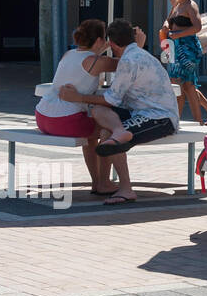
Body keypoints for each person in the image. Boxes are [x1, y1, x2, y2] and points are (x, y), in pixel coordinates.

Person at [56, 19, 179, 205]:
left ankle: (126, 189)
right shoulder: (134, 54)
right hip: (140, 112)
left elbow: (110, 99)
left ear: (111, 44)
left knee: (112, 136)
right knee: (101, 117)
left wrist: (78, 97)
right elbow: (110, 101)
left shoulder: (129, 61)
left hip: (159, 117)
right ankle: (104, 183)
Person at [36, 19, 119, 194]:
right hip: (65, 121)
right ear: (98, 41)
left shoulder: (69, 54)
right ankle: (103, 182)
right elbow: (127, 63)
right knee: (111, 130)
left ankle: (97, 182)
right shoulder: (98, 62)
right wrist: (138, 45)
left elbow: (87, 58)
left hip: (43, 116)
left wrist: (102, 48)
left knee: (90, 135)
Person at [160, 0, 207, 125]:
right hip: (176, 48)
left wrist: (178, 34)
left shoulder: (190, 5)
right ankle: (201, 117)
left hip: (187, 49)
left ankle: (176, 121)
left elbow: (197, 26)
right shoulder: (177, 4)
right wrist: (166, 26)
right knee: (187, 86)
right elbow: (168, 20)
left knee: (177, 83)